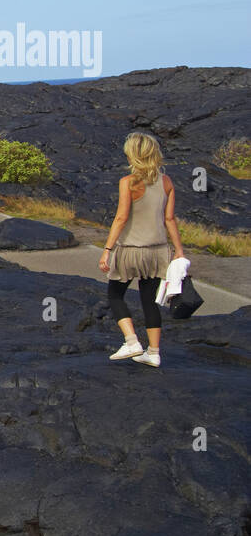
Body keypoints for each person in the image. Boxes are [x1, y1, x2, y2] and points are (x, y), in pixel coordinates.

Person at [98, 132, 184, 367]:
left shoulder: (129, 182)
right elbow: (170, 219)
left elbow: (121, 218)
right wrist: (179, 251)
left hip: (130, 251)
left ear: (133, 155)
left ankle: (131, 341)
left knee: (115, 295)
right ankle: (154, 352)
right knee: (150, 301)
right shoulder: (166, 182)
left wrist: (107, 249)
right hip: (157, 252)